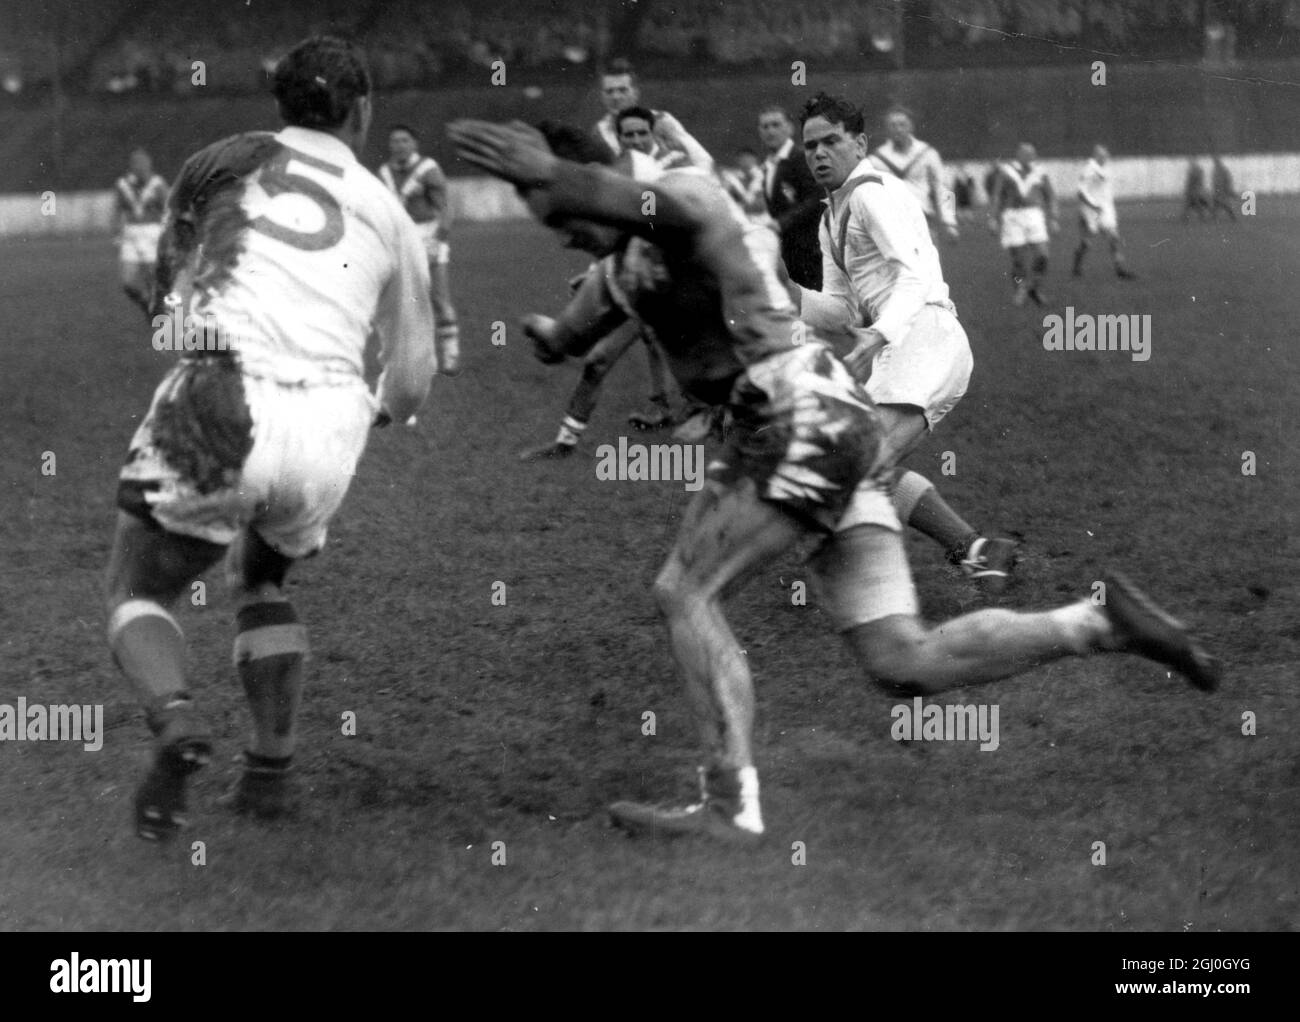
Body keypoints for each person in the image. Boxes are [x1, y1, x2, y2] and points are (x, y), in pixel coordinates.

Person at [448, 117, 1221, 842]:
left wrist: (555, 177)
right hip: (836, 422)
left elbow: (640, 208)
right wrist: (549, 336)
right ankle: (1100, 624)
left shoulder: (685, 193)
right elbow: (575, 324)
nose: (560, 234)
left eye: (558, 212)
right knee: (902, 661)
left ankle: (730, 806)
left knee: (685, 591)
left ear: (594, 176)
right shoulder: (622, 263)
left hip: (791, 417)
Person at [107, 36, 437, 841]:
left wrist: (176, 323)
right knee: (260, 580)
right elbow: (415, 375)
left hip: (220, 397)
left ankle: (179, 719)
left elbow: (167, 294)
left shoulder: (224, 158)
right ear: (362, 111)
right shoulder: (390, 211)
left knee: (139, 588)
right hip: (330, 423)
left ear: (282, 105)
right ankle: (268, 778)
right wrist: (377, 414)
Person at [789, 92, 1017, 593]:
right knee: (858, 463)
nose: (820, 153)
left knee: (849, 465)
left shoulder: (872, 194)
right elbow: (841, 309)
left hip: (924, 334)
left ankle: (861, 578)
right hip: (906, 343)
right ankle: (978, 551)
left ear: (859, 143)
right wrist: (787, 292)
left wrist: (881, 334)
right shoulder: (831, 216)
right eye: (810, 146)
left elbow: (912, 277)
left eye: (832, 141)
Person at [378, 124, 461, 374]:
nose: (399, 145)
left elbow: (445, 208)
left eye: (405, 140)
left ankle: (451, 354)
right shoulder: (384, 172)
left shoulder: (427, 169)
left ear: (414, 144)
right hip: (399, 239)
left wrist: (439, 239)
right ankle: (414, 358)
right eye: (395, 141)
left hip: (427, 235)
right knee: (403, 301)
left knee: (438, 297)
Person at [868, 105, 959, 244]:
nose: (898, 129)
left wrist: (950, 222)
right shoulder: (876, 159)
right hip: (891, 223)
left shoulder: (927, 153)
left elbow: (943, 188)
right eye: (893, 125)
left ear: (911, 127)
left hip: (923, 219)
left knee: (927, 264)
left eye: (902, 124)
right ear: (887, 130)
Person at [758, 104, 822, 289]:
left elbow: (815, 198)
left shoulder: (800, 158)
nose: (770, 131)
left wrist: (781, 223)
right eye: (765, 126)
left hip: (810, 251)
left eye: (776, 125)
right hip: (788, 251)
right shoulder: (770, 164)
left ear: (790, 128)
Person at [988, 142, 1057, 306]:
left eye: (1033, 154)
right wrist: (992, 218)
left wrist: (1053, 217)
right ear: (1018, 154)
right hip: (1013, 217)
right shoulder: (1007, 172)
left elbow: (1050, 195)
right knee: (1019, 259)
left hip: (1034, 215)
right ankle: (1020, 288)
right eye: (1027, 154)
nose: (1031, 157)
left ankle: (1035, 287)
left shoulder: (1040, 171)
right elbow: (997, 196)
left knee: (1043, 255)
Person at [112, 149, 169, 318]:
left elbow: (168, 209)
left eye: (142, 163)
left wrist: (167, 234)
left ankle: (160, 311)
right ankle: (146, 302)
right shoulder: (123, 185)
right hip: (131, 235)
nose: (139, 167)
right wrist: (116, 231)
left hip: (152, 234)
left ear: (149, 164)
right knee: (127, 282)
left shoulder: (158, 184)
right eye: (136, 164)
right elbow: (118, 209)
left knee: (153, 279)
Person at [1072, 145, 1136, 280]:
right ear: (1095, 156)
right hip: (1091, 210)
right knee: (1087, 242)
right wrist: (1093, 206)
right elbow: (1080, 192)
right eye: (1102, 156)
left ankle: (1120, 269)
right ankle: (1077, 262)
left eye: (1106, 156)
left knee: (1114, 238)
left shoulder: (1106, 167)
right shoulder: (1089, 169)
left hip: (1105, 209)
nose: (1105, 158)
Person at [1210, 156, 1237, 222]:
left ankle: (1233, 217)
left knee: (1224, 204)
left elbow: (1227, 179)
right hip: (1217, 190)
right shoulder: (1215, 170)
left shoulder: (1223, 170)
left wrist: (1227, 188)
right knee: (1216, 204)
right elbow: (1214, 180)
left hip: (1221, 190)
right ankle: (1213, 217)